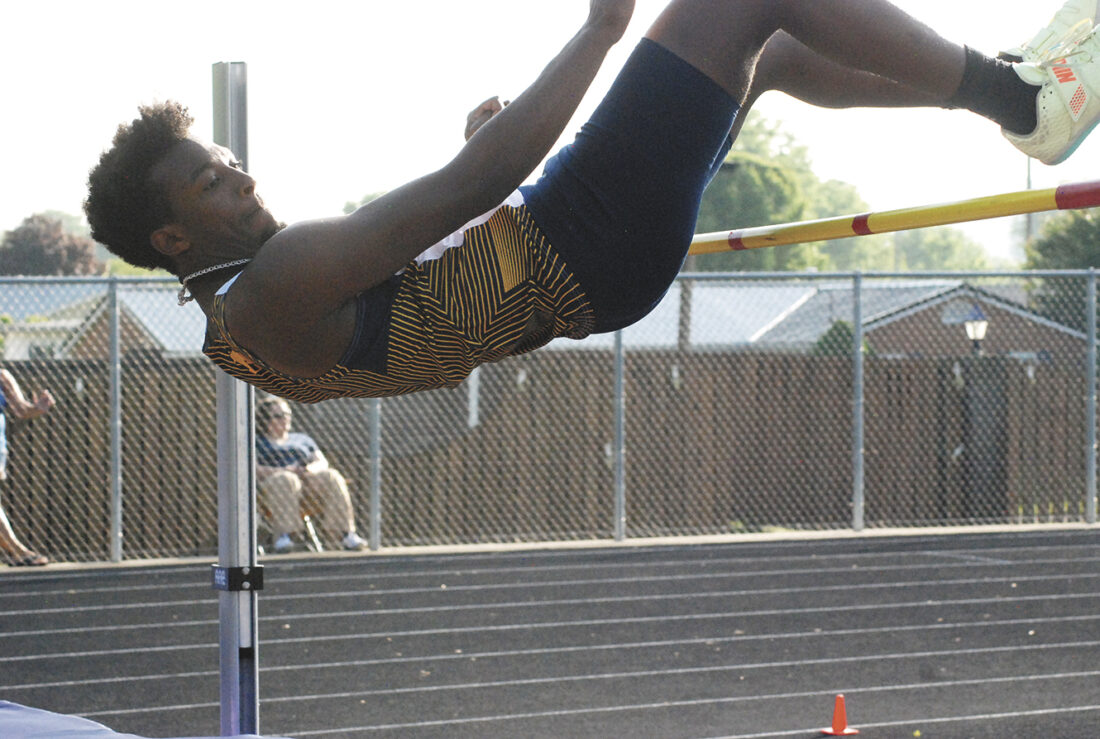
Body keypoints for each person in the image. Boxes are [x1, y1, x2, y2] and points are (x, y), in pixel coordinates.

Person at [84, 0, 1099, 403]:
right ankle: (1024, 101)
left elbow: (419, 312)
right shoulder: (274, 281)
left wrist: (479, 172)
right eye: (214, 180)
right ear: (169, 233)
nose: (245, 177)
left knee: (771, 53)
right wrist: (599, 30)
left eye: (230, 162)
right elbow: (471, 189)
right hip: (578, 236)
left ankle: (1012, 91)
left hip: (582, 264)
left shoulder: (242, 327)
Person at [255, 396, 367, 553]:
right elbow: (254, 468)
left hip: (308, 487)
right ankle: (284, 536)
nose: (285, 419)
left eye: (287, 414)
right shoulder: (257, 442)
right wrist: (285, 471)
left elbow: (321, 461)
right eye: (279, 416)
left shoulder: (302, 440)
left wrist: (309, 470)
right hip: (275, 488)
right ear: (266, 420)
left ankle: (346, 534)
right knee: (286, 479)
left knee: (331, 475)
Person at [0, 368, 55, 566]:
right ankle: (18, 551)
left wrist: (39, 407)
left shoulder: (2, 377)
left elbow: (22, 410)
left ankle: (18, 551)